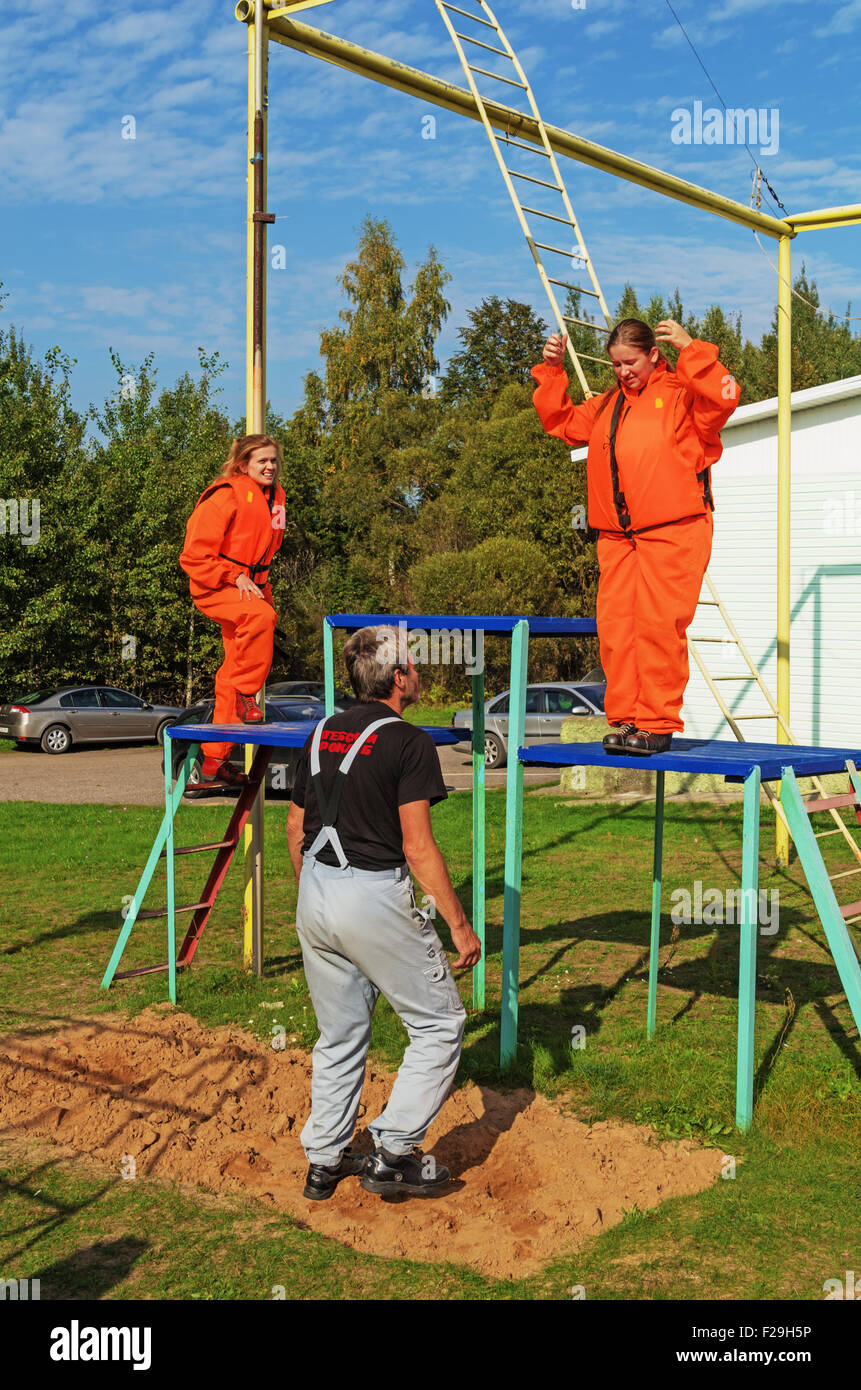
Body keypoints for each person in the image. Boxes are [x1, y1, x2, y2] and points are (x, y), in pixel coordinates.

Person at [286, 625, 482, 1201]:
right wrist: (459, 924)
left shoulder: (319, 731)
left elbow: (296, 826)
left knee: (340, 1033)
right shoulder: (409, 742)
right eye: (414, 665)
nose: (419, 672)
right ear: (397, 679)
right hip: (371, 892)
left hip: (315, 891)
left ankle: (324, 1161)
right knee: (440, 1024)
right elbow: (417, 846)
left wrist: (317, 900)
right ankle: (394, 1152)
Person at [531, 319, 741, 754]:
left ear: (653, 356)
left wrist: (692, 349)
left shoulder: (683, 395)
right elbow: (562, 421)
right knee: (617, 630)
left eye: (630, 362)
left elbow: (725, 395)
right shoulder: (608, 405)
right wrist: (552, 372)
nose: (623, 371)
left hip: (674, 530)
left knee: (658, 628)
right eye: (616, 364)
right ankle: (626, 721)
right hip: (618, 539)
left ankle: (657, 724)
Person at [179, 435, 286, 788]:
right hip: (215, 584)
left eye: (273, 460)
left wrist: (255, 584)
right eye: (262, 461)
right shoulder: (226, 494)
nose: (270, 466)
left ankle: (214, 760)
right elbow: (194, 556)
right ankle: (245, 694)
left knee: (231, 671)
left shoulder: (277, 497)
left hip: (251, 588)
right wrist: (234, 574)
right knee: (260, 618)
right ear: (243, 464)